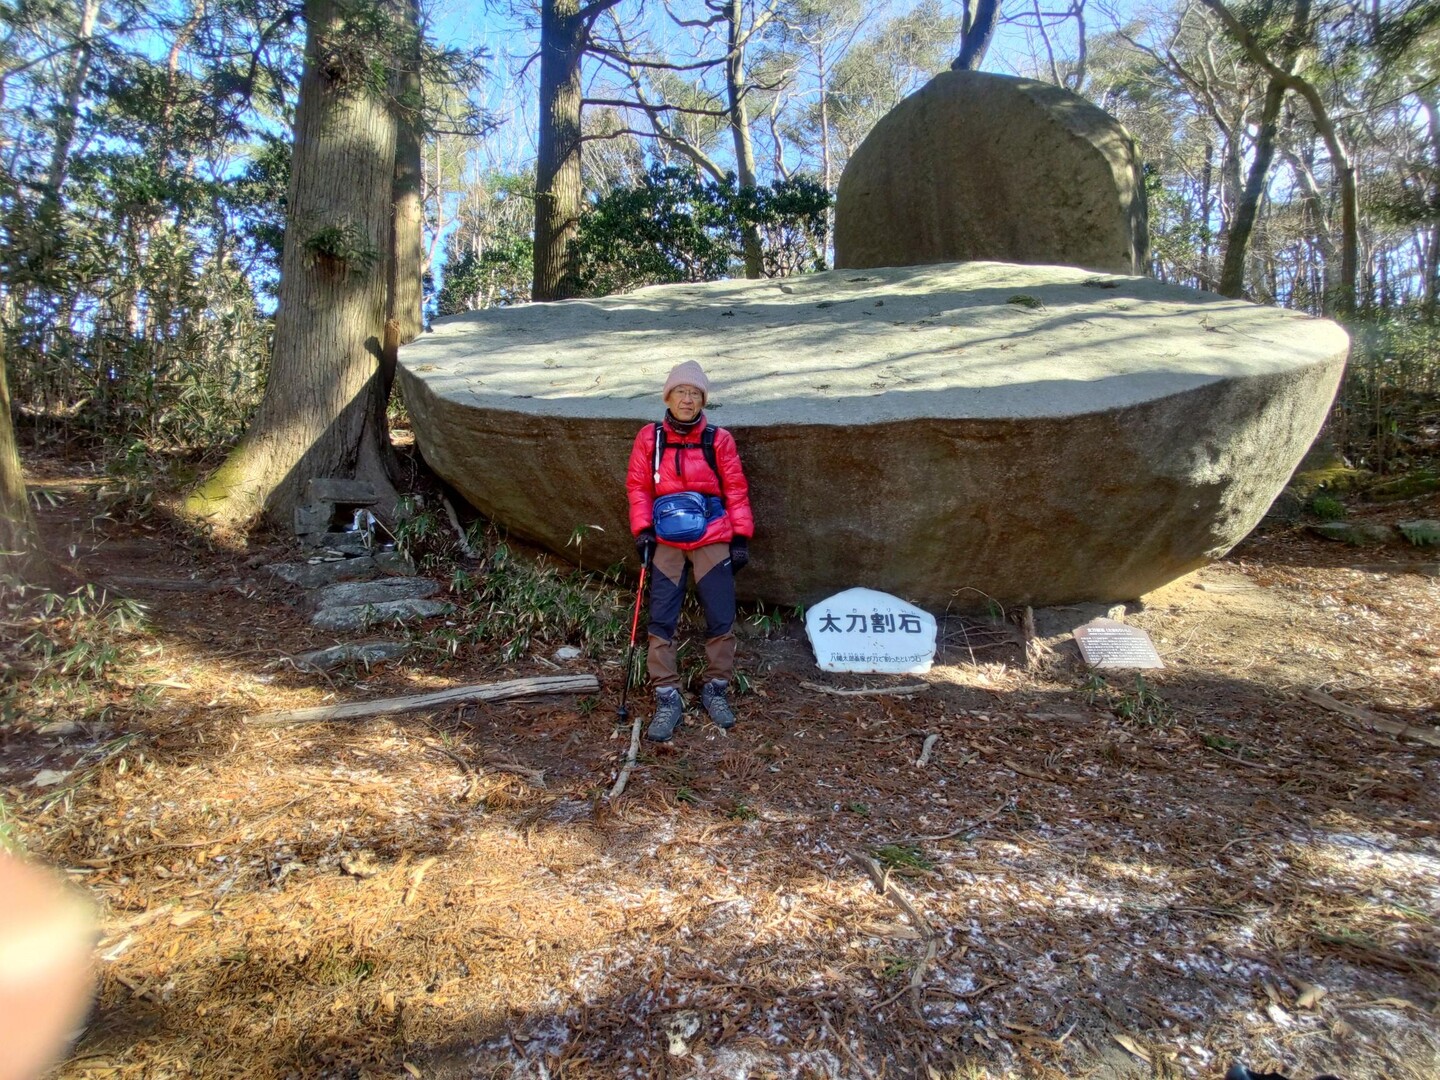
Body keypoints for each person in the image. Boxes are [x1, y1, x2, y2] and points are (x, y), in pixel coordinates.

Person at [626, 361, 754, 742]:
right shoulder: (650, 437)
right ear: (668, 396)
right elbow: (637, 487)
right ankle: (667, 695)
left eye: (695, 394)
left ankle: (715, 688)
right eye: (681, 392)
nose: (687, 399)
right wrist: (643, 530)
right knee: (662, 615)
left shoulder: (719, 439)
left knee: (720, 612)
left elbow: (736, 489)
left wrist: (741, 537)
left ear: (703, 400)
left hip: (712, 533)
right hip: (665, 538)